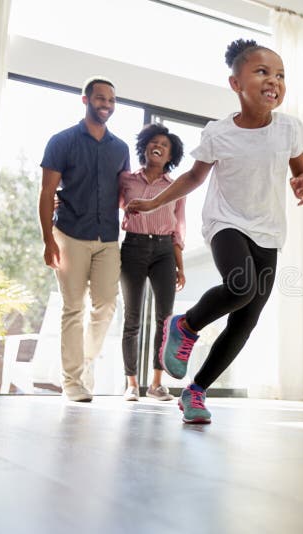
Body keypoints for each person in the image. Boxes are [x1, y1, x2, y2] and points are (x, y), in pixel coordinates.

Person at [126, 39, 303, 424]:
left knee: (246, 319)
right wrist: (154, 202)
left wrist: (302, 179)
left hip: (269, 230)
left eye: (280, 75)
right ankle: (185, 324)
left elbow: (298, 163)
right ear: (235, 83)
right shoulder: (219, 133)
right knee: (240, 287)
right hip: (226, 222)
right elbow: (194, 176)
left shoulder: (290, 128)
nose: (273, 80)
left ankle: (195, 392)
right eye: (261, 72)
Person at [39, 76, 130, 402]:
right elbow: (47, 192)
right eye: (100, 98)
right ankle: (72, 382)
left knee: (106, 304)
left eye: (111, 100)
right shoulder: (61, 141)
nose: (106, 105)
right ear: (86, 100)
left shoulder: (120, 148)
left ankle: (86, 361)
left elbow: (123, 192)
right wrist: (48, 239)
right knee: (73, 307)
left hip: (108, 236)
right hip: (70, 234)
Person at [118, 124, 186, 402]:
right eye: (154, 142)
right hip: (132, 247)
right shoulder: (125, 179)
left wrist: (180, 266)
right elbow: (107, 206)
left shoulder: (176, 188)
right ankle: (132, 384)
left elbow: (178, 229)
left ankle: (156, 384)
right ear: (145, 146)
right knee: (132, 318)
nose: (158, 146)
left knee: (164, 320)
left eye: (165, 145)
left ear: (171, 155)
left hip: (164, 253)